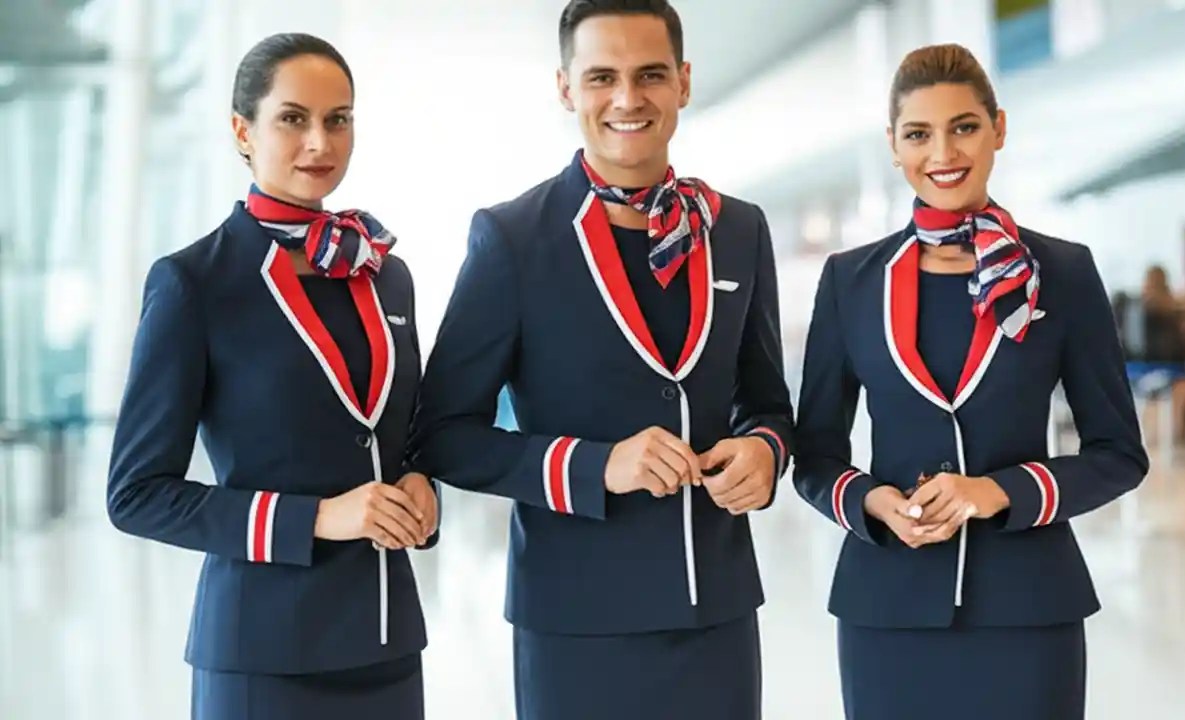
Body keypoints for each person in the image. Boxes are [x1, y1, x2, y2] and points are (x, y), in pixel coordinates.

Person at [404, 2, 793, 718]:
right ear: (565, 88)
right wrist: (595, 466)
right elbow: (441, 435)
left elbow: (767, 403)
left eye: (649, 75)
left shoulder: (738, 229)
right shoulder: (512, 240)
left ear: (683, 81)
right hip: (575, 623)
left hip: (719, 615)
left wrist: (766, 451)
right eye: (601, 77)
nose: (626, 99)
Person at [791, 43, 1149, 720]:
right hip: (886, 608)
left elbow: (1119, 454)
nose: (943, 152)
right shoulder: (851, 281)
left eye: (964, 126)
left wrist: (997, 491)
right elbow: (813, 455)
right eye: (918, 134)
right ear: (893, 147)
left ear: (998, 130)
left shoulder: (1063, 273)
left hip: (1029, 608)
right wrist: (871, 503)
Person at [106, 32, 438, 720]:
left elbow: (398, 440)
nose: (320, 142)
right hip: (262, 654)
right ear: (242, 131)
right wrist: (319, 518)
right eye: (294, 118)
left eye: (338, 119)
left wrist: (421, 489)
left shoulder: (386, 277)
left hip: (387, 647)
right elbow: (136, 494)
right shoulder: (194, 283)